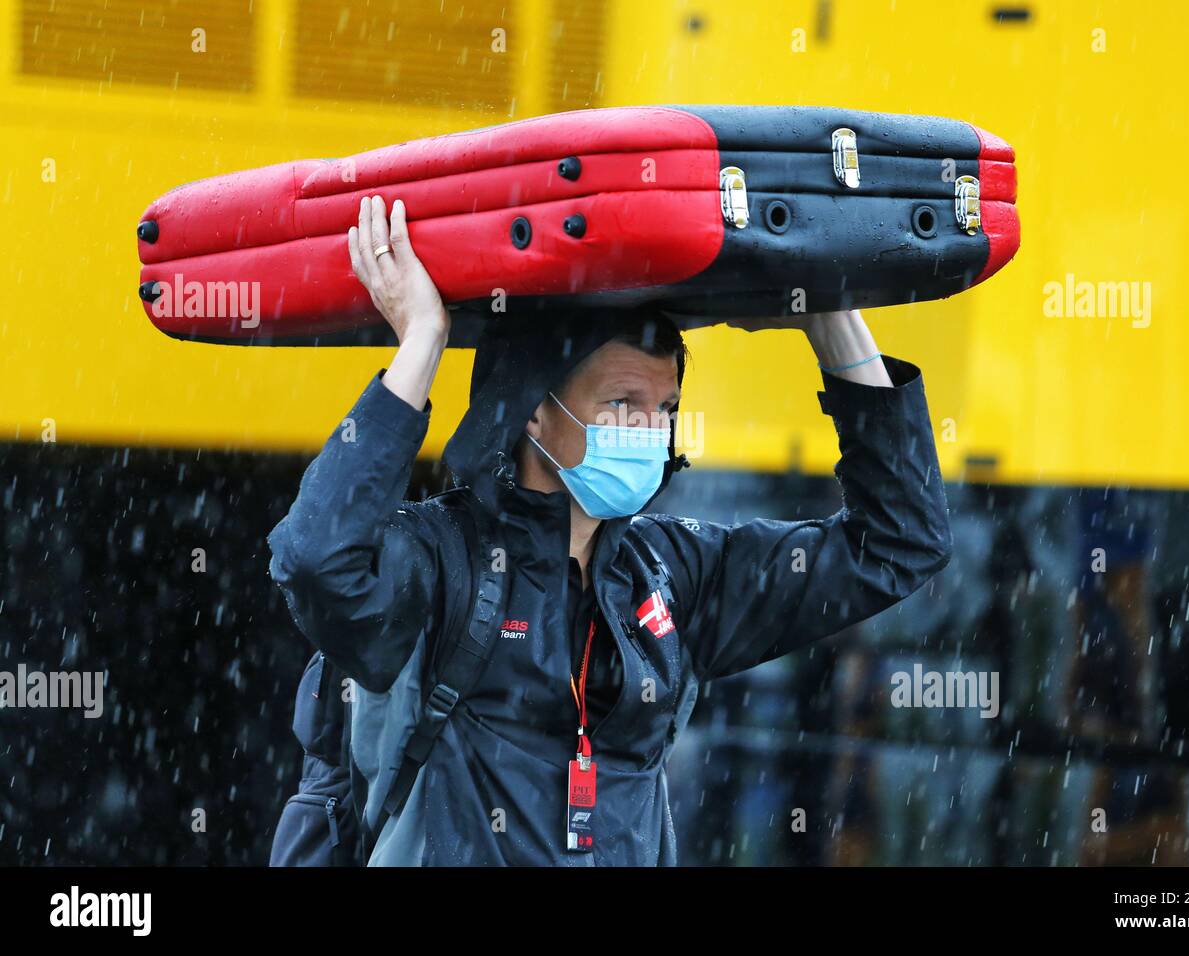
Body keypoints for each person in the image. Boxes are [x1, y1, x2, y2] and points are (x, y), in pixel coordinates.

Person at [267, 195, 954, 865]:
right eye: (623, 403)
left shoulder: (670, 573)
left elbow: (897, 544)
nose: (649, 429)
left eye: (667, 407)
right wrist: (423, 338)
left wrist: (829, 320)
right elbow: (314, 562)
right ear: (533, 413)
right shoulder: (443, 560)